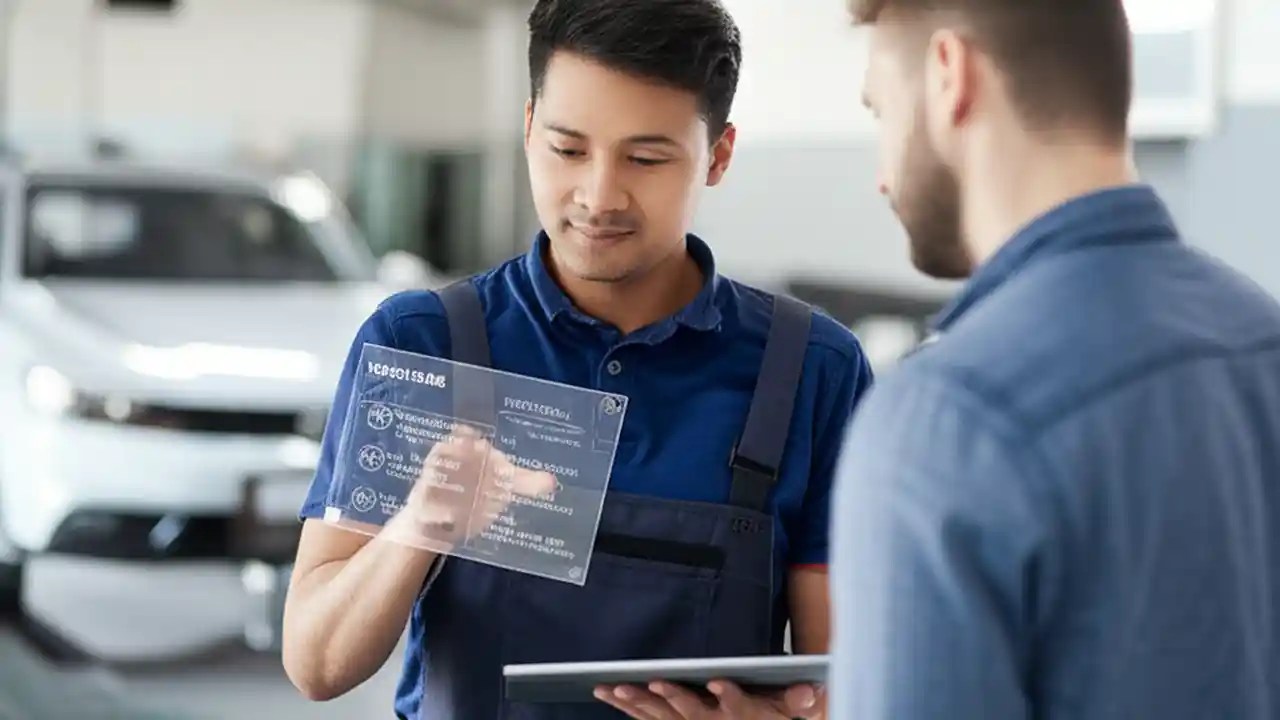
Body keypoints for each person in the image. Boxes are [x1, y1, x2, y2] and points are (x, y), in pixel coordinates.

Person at [281, 1, 874, 718]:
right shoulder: (420, 342)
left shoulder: (812, 370)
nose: (599, 196)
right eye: (568, 150)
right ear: (529, 128)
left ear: (718, 155)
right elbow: (317, 663)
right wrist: (420, 525)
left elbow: (852, 687)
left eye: (645, 159)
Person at [829, 0, 1280, 718]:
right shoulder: (1259, 335)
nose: (882, 176)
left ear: (949, 75)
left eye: (881, 112)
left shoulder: (944, 420)